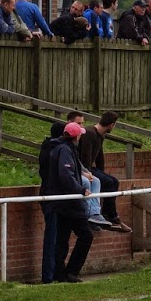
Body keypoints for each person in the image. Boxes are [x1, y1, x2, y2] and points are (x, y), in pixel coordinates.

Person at [40, 121, 94, 283]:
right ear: (76, 136)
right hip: (68, 201)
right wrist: (80, 190)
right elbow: (65, 175)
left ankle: (60, 273)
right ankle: (70, 272)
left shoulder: (60, 148)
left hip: (61, 202)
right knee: (85, 235)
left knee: (62, 239)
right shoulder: (65, 150)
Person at [76, 111, 132, 233]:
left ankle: (108, 214)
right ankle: (110, 216)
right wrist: (88, 173)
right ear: (112, 124)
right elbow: (85, 156)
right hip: (83, 167)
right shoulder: (90, 133)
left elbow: (99, 157)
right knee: (107, 181)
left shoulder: (101, 135)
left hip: (90, 167)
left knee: (113, 181)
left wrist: (102, 172)